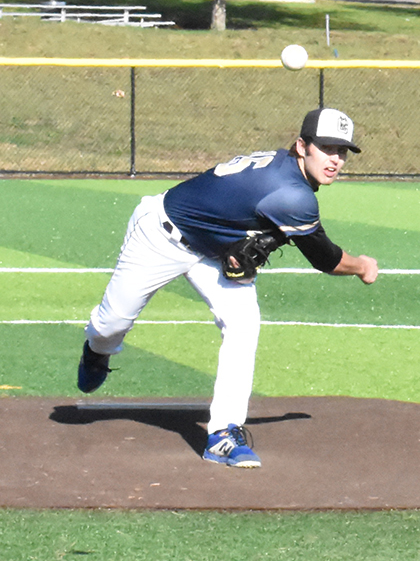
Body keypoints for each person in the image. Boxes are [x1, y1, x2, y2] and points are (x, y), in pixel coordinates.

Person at [78, 108, 380, 468]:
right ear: (302, 146)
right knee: (112, 325)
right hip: (160, 234)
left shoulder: (284, 169)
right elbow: (325, 258)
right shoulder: (292, 195)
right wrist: (362, 266)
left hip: (212, 251)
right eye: (327, 148)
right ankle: (97, 350)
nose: (335, 159)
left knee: (243, 324)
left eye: (342, 151)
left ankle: (223, 434)